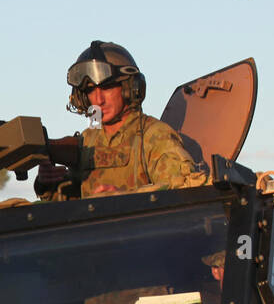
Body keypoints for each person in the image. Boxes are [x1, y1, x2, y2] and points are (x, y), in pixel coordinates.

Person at [36, 41, 208, 199]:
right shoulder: (89, 139)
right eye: (90, 90)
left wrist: (123, 198)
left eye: (107, 87)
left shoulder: (154, 135)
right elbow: (74, 203)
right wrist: (48, 183)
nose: (98, 100)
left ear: (129, 88)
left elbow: (184, 187)